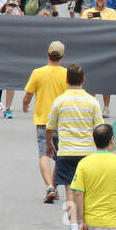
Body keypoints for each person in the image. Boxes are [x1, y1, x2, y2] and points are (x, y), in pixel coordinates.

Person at [46, 63, 102, 230]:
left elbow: (50, 127)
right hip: (87, 152)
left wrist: (49, 144)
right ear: (84, 80)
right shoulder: (92, 101)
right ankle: (87, 225)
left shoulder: (60, 101)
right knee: (87, 191)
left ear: (66, 79)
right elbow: (100, 128)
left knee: (70, 191)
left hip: (67, 151)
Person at [23, 40, 68, 203]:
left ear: (47, 54)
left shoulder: (38, 72)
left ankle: (49, 185)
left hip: (43, 120)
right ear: (62, 56)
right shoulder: (66, 73)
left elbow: (28, 95)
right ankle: (54, 186)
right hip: (62, 121)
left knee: (44, 153)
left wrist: (25, 104)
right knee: (59, 155)